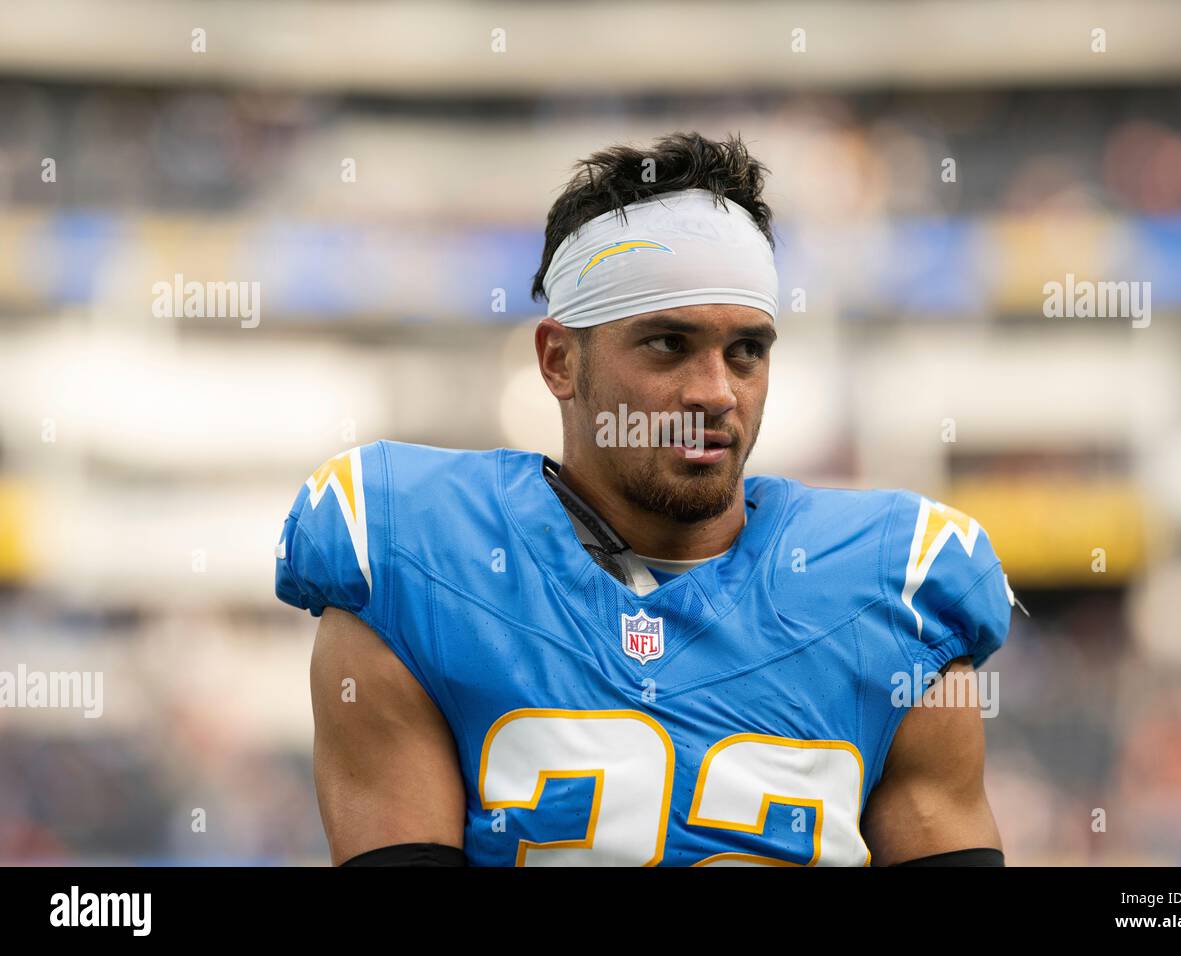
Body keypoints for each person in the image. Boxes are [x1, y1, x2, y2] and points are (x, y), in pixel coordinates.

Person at [276, 131, 1015, 866]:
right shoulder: (415, 559)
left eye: (746, 351)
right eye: (668, 344)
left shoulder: (897, 591)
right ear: (559, 361)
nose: (716, 392)